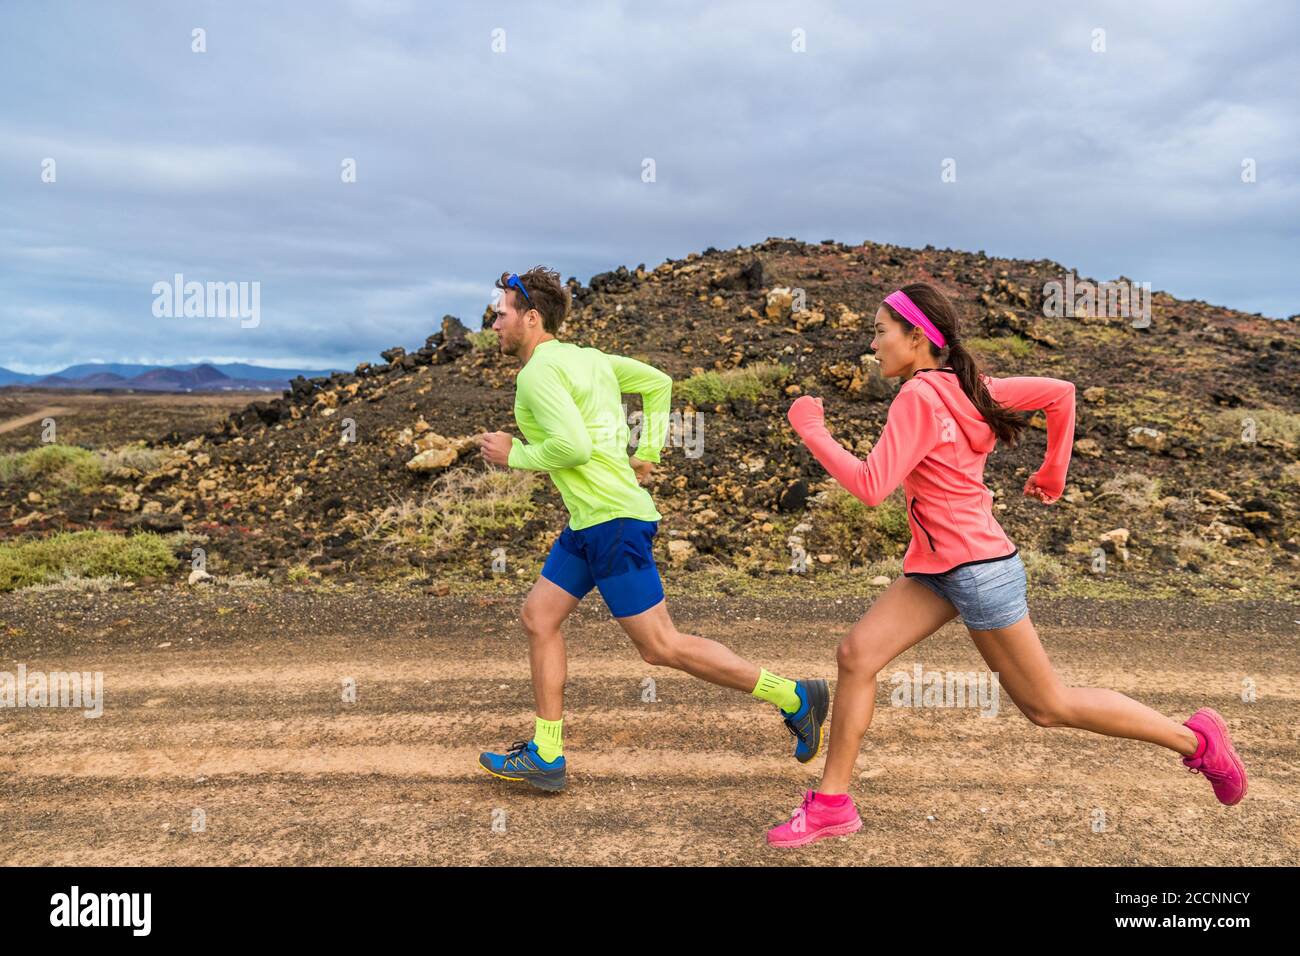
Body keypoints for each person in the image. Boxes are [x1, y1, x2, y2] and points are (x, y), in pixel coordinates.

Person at [766, 281, 1248, 848]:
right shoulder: (975, 388)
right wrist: (1053, 470)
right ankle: (832, 804)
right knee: (856, 655)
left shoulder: (919, 396)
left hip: (977, 573)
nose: (872, 346)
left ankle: (1197, 741)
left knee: (1048, 706)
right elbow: (1060, 394)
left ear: (917, 337)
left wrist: (813, 431)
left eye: (879, 332)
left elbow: (872, 486)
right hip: (937, 568)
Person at [476, 266, 828, 791]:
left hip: (613, 524)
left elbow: (571, 447)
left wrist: (515, 454)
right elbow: (658, 383)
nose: (494, 322)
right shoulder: (588, 359)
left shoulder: (536, 374)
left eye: (501, 313)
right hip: (589, 522)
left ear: (531, 318)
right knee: (539, 617)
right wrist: (648, 452)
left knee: (660, 646)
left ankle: (794, 696)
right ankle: (547, 754)